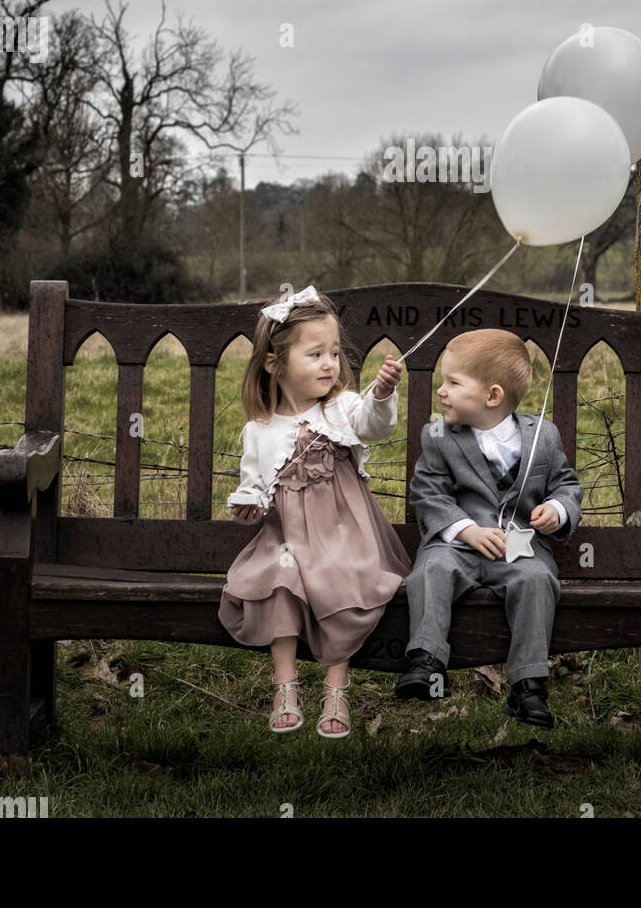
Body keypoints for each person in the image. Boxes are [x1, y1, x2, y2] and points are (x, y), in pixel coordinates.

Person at [219, 285, 410, 737]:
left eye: (334, 353)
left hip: (346, 533)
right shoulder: (260, 429)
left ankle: (336, 686)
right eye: (316, 354)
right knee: (279, 579)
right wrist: (247, 505)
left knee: (337, 575)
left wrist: (381, 394)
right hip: (286, 539)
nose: (330, 364)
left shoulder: (343, 408)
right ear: (274, 364)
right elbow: (254, 487)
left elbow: (374, 426)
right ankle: (284, 685)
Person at [397, 329, 581, 728]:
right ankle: (426, 661)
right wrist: (464, 530)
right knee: (431, 570)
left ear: (492, 396)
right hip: (458, 544)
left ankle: (528, 686)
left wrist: (556, 510)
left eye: (453, 383)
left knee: (536, 579)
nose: (441, 391)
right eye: (442, 382)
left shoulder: (543, 437)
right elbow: (428, 494)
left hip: (516, 545)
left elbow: (566, 485)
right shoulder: (439, 436)